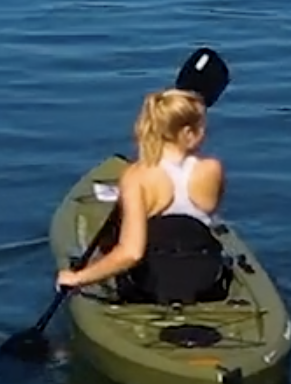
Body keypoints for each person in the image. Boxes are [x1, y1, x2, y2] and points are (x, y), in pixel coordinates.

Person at [58, 88, 229, 305]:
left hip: (150, 284)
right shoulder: (212, 169)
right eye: (202, 127)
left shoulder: (137, 176)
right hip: (206, 280)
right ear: (187, 133)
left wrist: (76, 278)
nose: (205, 133)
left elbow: (131, 253)